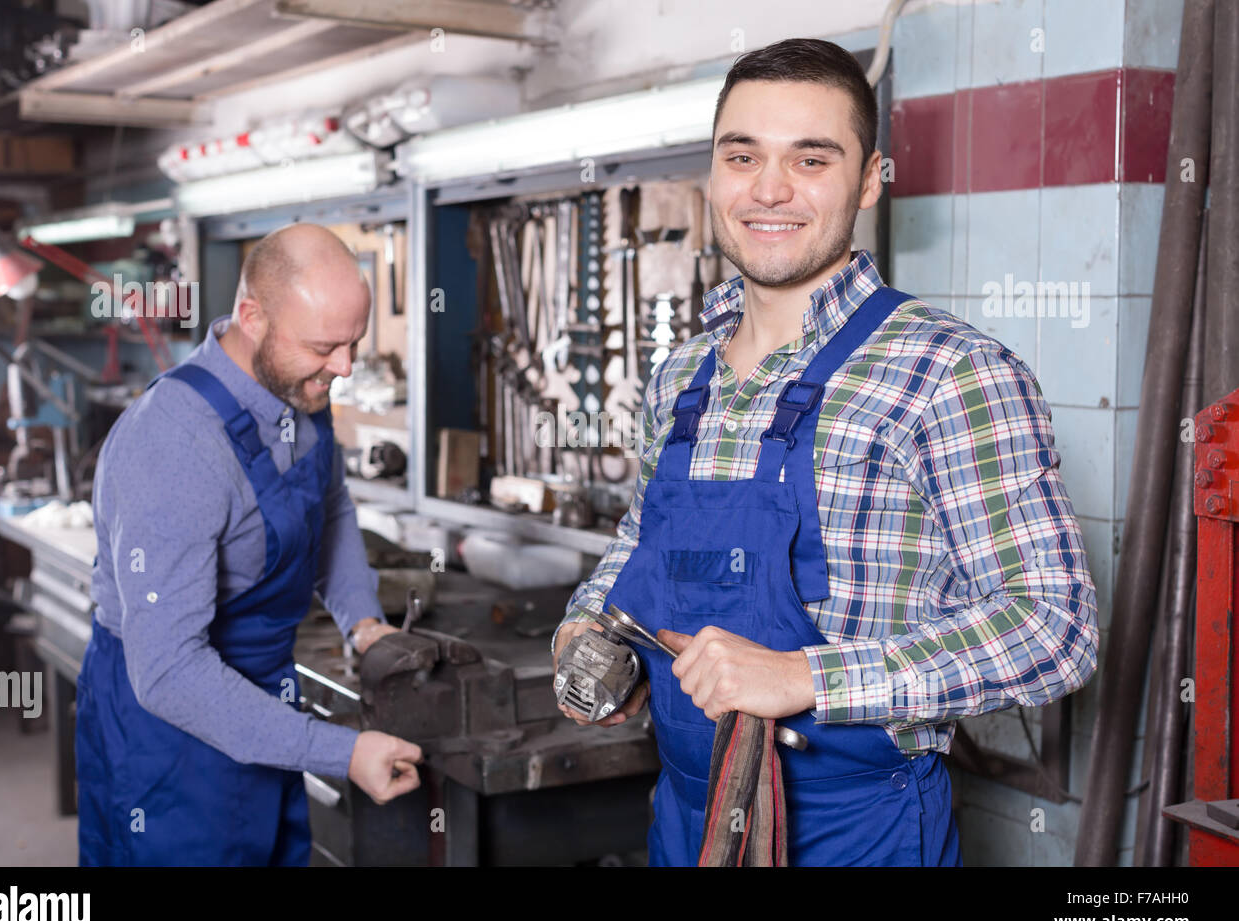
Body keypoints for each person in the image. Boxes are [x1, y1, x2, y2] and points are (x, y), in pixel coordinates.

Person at [552, 38, 1099, 866]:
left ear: (871, 178)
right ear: (713, 171)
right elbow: (641, 545)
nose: (769, 190)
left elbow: (1055, 628)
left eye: (811, 159)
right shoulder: (680, 378)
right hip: (686, 817)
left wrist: (808, 678)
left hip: (854, 828)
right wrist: (586, 628)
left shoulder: (948, 371)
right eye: (743, 157)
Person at [77, 223, 421, 866]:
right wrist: (342, 752)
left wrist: (364, 622)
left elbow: (332, 508)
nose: (343, 368)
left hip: (264, 703)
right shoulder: (175, 444)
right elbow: (169, 671)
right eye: (326, 346)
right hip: (169, 739)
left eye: (354, 344)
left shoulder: (300, 390)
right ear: (251, 316)